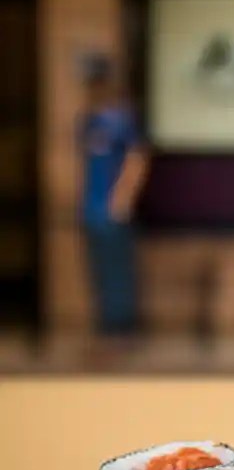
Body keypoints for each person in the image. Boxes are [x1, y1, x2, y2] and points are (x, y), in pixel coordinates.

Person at [79, 54, 148, 338]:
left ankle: (122, 327)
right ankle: (106, 324)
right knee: (99, 269)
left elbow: (138, 159)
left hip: (113, 210)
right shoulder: (87, 122)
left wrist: (121, 200)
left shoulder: (122, 120)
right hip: (91, 208)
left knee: (118, 268)